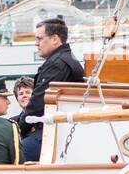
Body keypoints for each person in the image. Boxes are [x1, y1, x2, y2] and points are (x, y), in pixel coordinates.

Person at [18, 17, 84, 161]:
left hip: (51, 132)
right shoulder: (66, 58)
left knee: (14, 151)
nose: (36, 44)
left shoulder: (57, 64)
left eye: (39, 39)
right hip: (58, 127)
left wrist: (18, 129)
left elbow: (37, 103)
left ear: (54, 39)